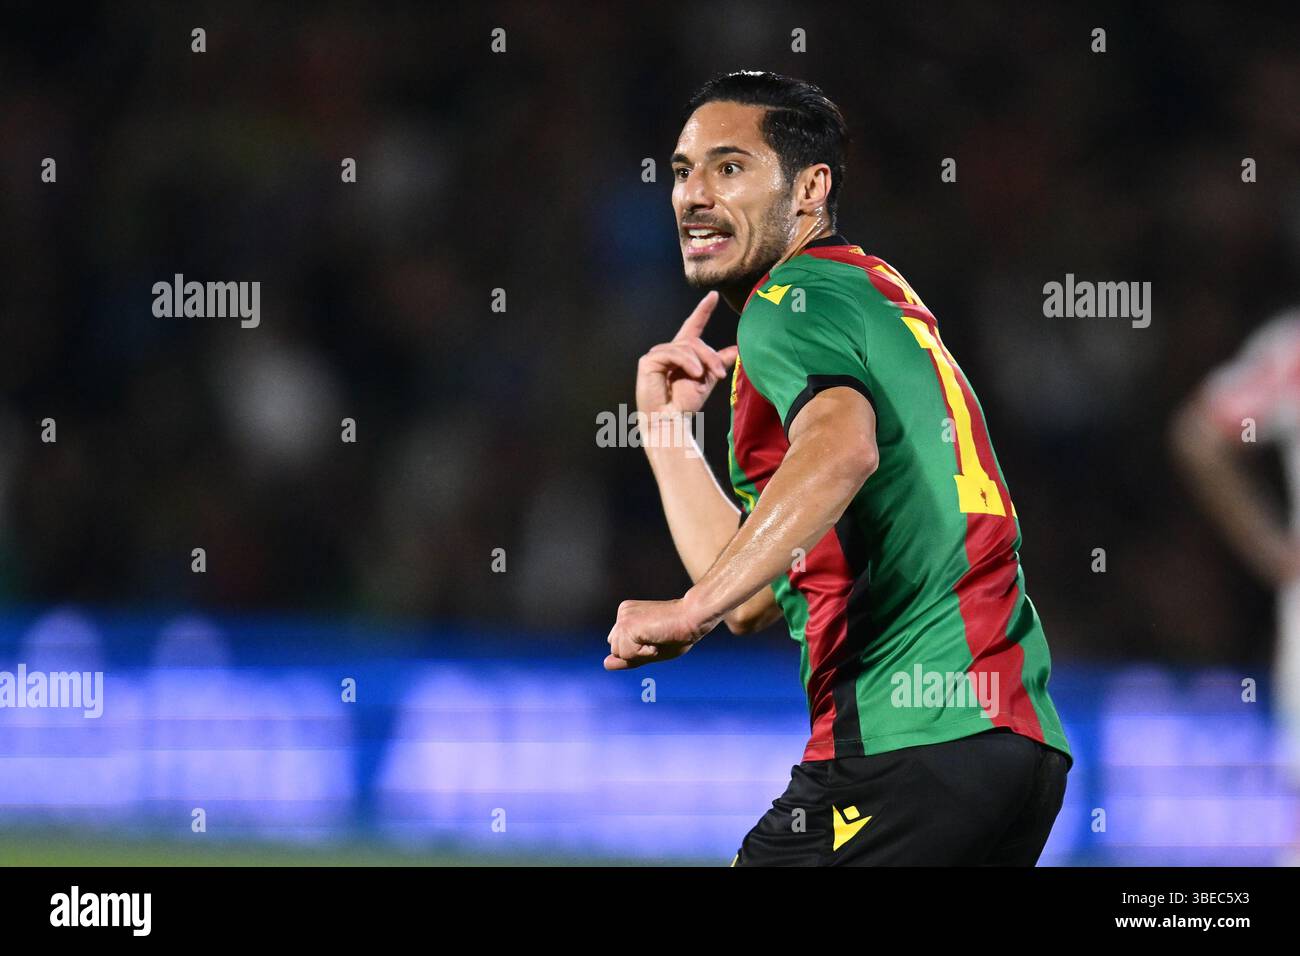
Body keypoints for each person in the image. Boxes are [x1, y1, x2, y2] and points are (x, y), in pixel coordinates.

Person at [605, 71, 1071, 865]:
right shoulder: (866, 292)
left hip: (904, 742)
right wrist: (666, 432)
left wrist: (691, 610)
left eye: (729, 167)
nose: (692, 195)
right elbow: (754, 599)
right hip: (1008, 745)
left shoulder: (789, 304)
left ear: (811, 186)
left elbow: (841, 449)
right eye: (682, 171)